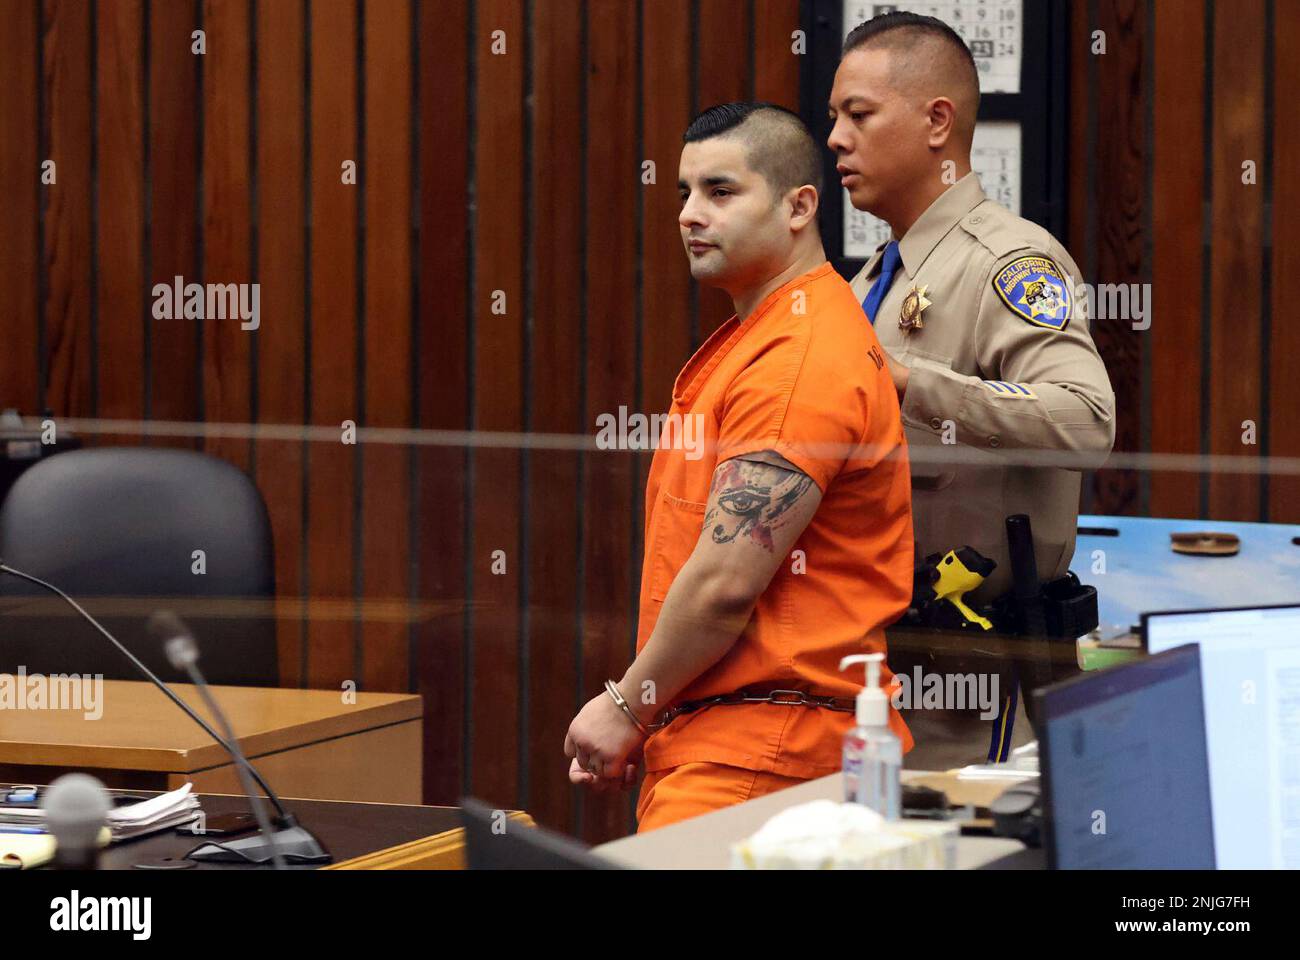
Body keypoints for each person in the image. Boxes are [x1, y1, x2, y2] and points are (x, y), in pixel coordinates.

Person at [563, 102, 915, 832]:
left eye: (721, 192)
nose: (691, 215)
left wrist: (627, 703)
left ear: (799, 206)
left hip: (763, 755)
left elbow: (725, 583)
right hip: (747, 740)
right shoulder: (776, 334)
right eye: (684, 193)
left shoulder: (797, 359)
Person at [827, 11, 1116, 763]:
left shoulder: (1008, 260)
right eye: (834, 118)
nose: (835, 138)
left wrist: (909, 383)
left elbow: (1086, 421)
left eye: (858, 114)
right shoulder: (871, 281)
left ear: (937, 122)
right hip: (880, 669)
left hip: (974, 675)